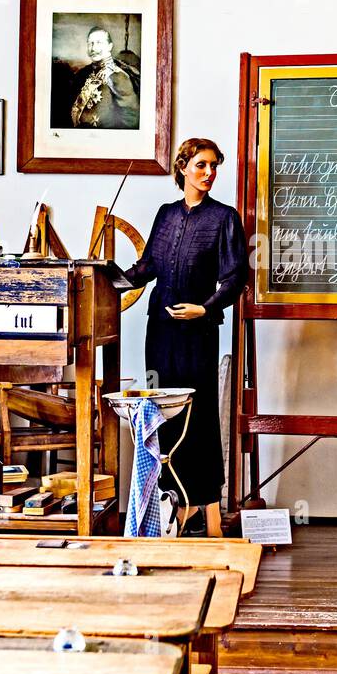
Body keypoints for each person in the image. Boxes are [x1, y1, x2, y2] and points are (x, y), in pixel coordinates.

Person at [124, 138, 249, 537]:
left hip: (197, 332)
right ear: (182, 169)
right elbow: (147, 267)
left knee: (199, 416)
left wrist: (206, 309)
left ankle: (204, 504)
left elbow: (234, 279)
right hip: (159, 330)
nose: (208, 173)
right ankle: (173, 504)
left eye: (213, 166)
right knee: (161, 413)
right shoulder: (165, 215)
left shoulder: (224, 218)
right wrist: (109, 275)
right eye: (200, 165)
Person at [67, 27, 140, 130]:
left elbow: (131, 119)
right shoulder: (82, 73)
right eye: (90, 43)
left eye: (99, 43)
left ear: (110, 46)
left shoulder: (117, 76)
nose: (93, 48)